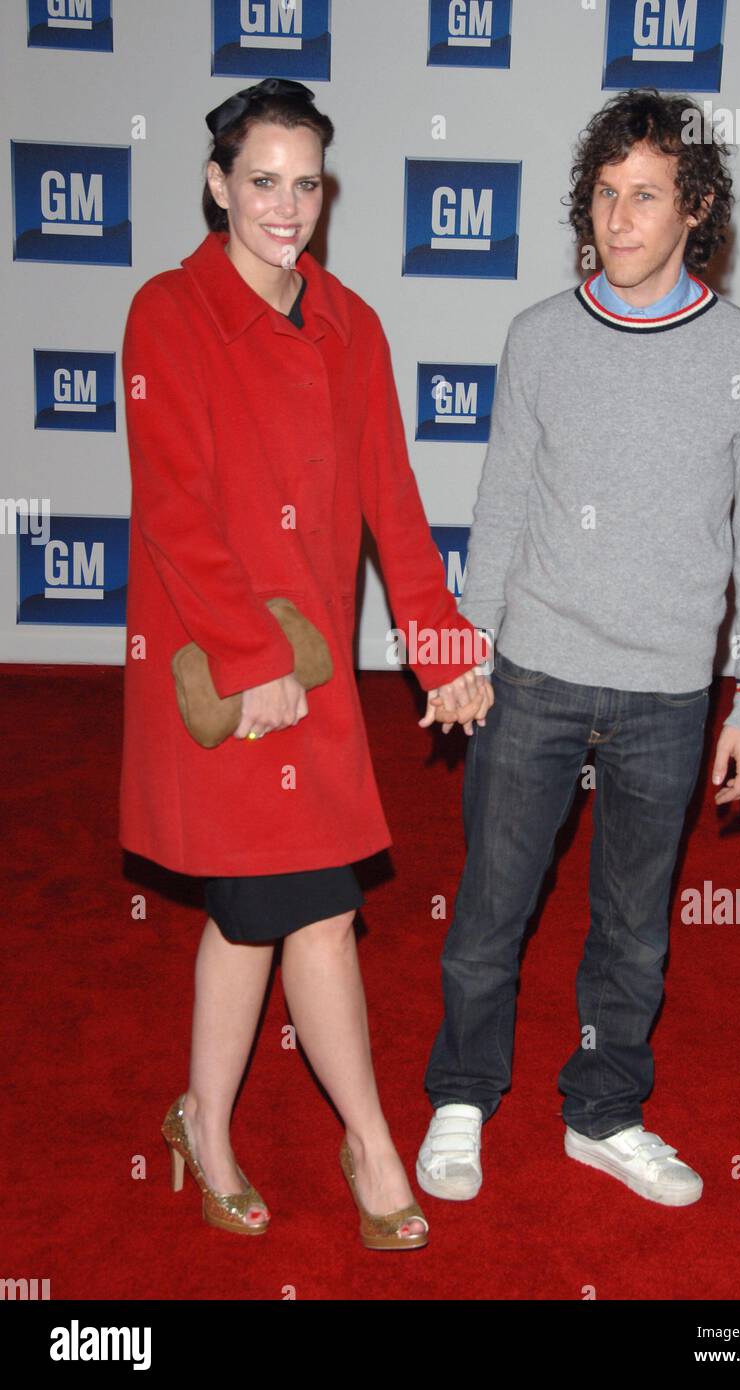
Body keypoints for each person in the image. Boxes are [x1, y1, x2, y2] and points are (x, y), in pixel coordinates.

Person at [118, 78, 492, 1248]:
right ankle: (364, 1141)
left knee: (255, 913)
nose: (289, 206)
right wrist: (247, 657)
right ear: (218, 185)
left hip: (315, 681)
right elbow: (173, 513)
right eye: (264, 181)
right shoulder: (167, 315)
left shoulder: (352, 323)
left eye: (309, 182)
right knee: (304, 908)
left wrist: (439, 643)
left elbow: (394, 498)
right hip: (224, 677)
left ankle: (203, 1118)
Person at [417, 87, 740, 1207]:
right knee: (491, 906)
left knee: (633, 929)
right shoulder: (537, 336)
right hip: (532, 674)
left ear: (697, 212)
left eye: (646, 197)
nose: (619, 219)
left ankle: (604, 1109)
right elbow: (498, 511)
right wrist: (464, 651)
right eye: (604, 194)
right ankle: (461, 1092)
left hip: (672, 695)